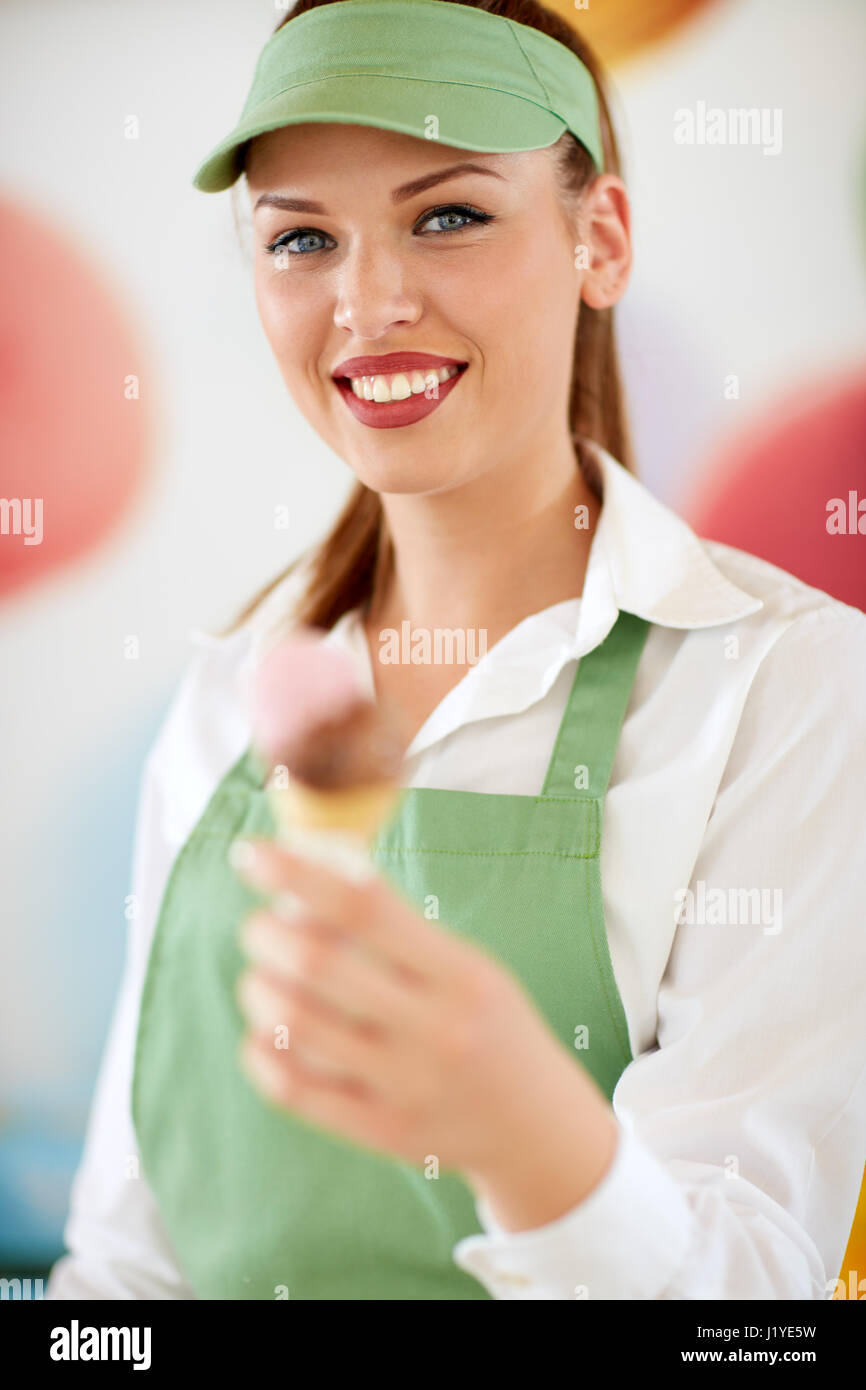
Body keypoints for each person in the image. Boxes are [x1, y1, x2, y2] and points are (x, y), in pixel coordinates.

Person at [47, 0, 866, 1301]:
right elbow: (125, 1269)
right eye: (302, 237)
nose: (367, 303)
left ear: (598, 238)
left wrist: (531, 1138)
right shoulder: (229, 694)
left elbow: (756, 1310)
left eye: (446, 216)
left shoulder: (783, 684)